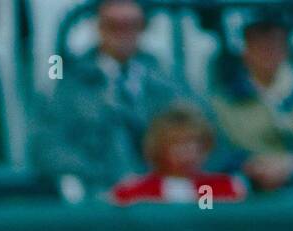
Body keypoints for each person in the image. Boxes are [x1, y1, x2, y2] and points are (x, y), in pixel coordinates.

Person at [33, 0, 193, 197]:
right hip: (96, 198)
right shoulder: (70, 85)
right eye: (113, 26)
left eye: (131, 26)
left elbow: (201, 132)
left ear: (143, 28)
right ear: (99, 28)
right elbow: (47, 145)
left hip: (163, 199)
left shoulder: (167, 81)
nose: (123, 34)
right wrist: (97, 177)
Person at [209, 11, 293, 193]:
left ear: (286, 49)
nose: (268, 50)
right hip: (246, 187)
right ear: (245, 51)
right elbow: (217, 149)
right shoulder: (223, 102)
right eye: (259, 43)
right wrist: (249, 165)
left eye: (275, 43)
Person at [109, 103, 246, 205]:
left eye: (193, 143)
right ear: (159, 148)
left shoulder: (220, 188)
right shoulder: (134, 191)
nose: (187, 151)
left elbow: (210, 219)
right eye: (177, 143)